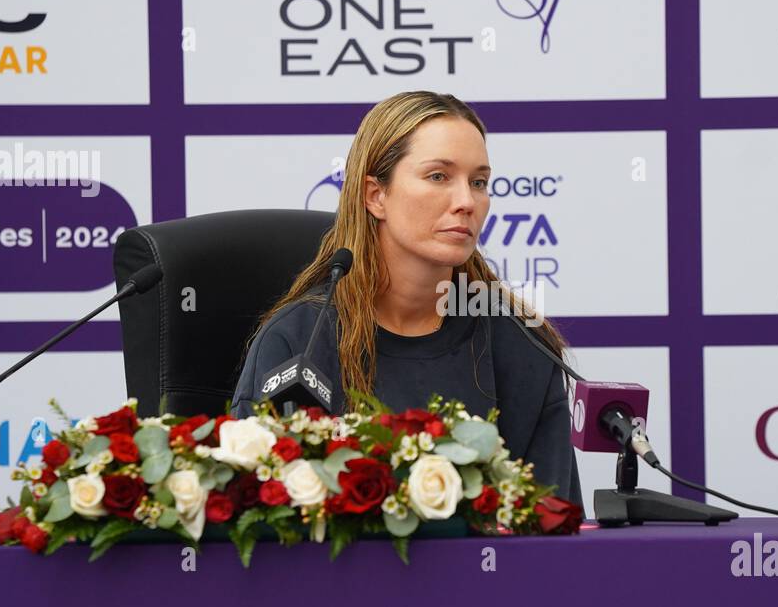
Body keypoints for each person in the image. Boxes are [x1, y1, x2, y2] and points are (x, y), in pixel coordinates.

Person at [230, 90, 584, 512]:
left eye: (479, 182)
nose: (466, 202)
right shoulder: (298, 340)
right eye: (438, 177)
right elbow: (258, 521)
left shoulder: (521, 343)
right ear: (375, 195)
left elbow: (552, 531)